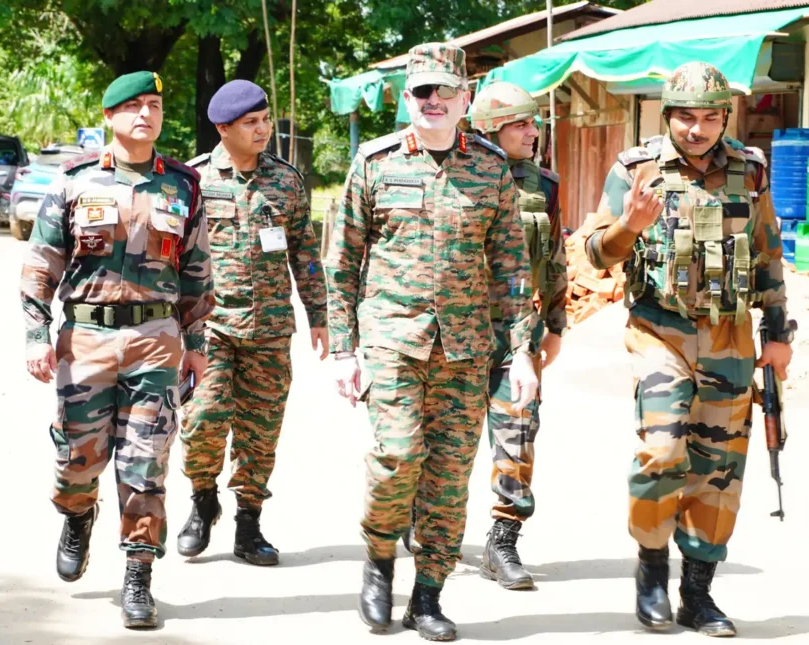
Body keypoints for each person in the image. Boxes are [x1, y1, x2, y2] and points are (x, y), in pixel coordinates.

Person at [325, 43, 539, 641]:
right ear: (406, 98)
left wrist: (520, 348)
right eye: (423, 92)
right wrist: (343, 350)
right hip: (393, 340)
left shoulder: (492, 167)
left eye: (446, 91)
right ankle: (379, 560)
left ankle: (428, 593)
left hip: (467, 347)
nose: (435, 102)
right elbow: (340, 262)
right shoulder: (375, 162)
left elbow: (511, 266)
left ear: (465, 97)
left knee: (447, 477)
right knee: (397, 460)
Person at [587, 61, 794, 637]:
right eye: (685, 117)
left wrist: (779, 334)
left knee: (719, 467)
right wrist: (628, 226)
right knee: (662, 448)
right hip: (661, 330)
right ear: (666, 115)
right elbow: (595, 255)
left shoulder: (749, 170)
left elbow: (767, 252)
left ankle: (697, 593)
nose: (697, 129)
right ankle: (652, 567)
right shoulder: (636, 169)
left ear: (725, 117)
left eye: (709, 118)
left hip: (730, 336)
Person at [20, 71, 214, 629]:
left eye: (154, 104)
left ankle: (138, 572)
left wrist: (196, 344)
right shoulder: (74, 182)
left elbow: (197, 270)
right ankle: (77, 514)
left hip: (156, 340)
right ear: (109, 116)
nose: (145, 115)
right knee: (76, 460)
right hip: (86, 341)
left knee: (146, 462)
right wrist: (37, 335)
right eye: (133, 106)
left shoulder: (182, 185)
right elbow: (41, 266)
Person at [177, 79, 328, 565]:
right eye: (251, 123)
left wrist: (318, 314)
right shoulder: (195, 180)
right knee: (201, 422)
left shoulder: (285, 180)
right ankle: (203, 500)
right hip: (211, 328)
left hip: (269, 328)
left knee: (260, 433)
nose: (263, 130)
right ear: (223, 129)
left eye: (265, 120)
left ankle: (249, 524)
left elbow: (306, 251)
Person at [467, 81, 567, 590]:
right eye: (521, 124)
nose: (534, 132)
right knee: (439, 441)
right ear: (488, 130)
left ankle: (503, 540)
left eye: (535, 123)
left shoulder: (543, 185)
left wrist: (555, 324)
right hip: (453, 334)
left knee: (519, 433)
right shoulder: (454, 177)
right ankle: (426, 522)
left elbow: (554, 261)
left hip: (517, 336)